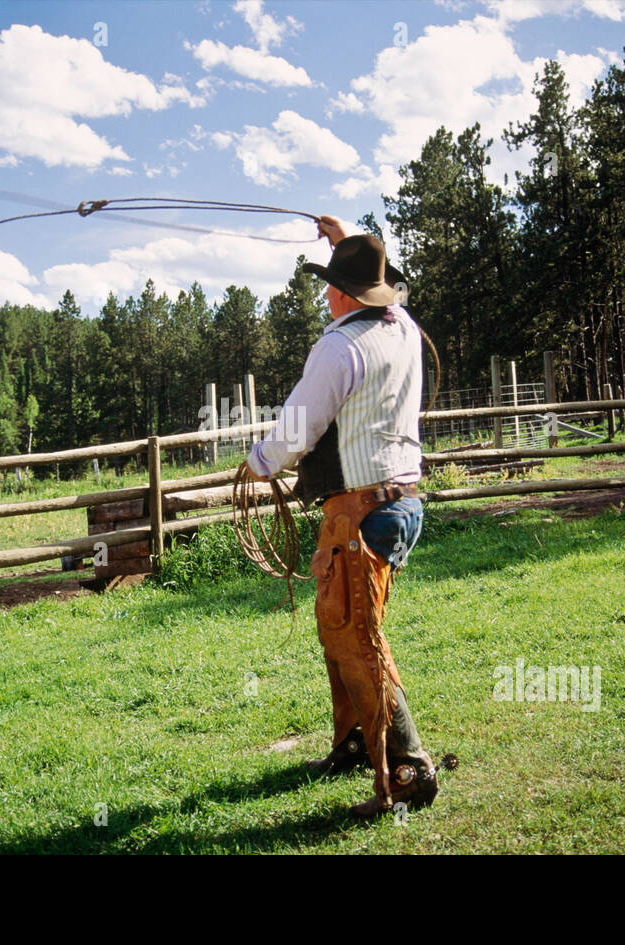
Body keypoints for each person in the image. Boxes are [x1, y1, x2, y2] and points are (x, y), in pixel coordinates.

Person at [244, 215, 438, 818]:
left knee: (358, 639)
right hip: (400, 507)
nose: (325, 292)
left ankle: (409, 771)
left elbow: (296, 433)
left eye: (333, 283)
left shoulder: (339, 346)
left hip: (358, 514)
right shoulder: (401, 326)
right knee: (345, 628)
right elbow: (385, 281)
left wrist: (260, 463)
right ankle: (356, 742)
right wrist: (345, 239)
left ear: (347, 294)